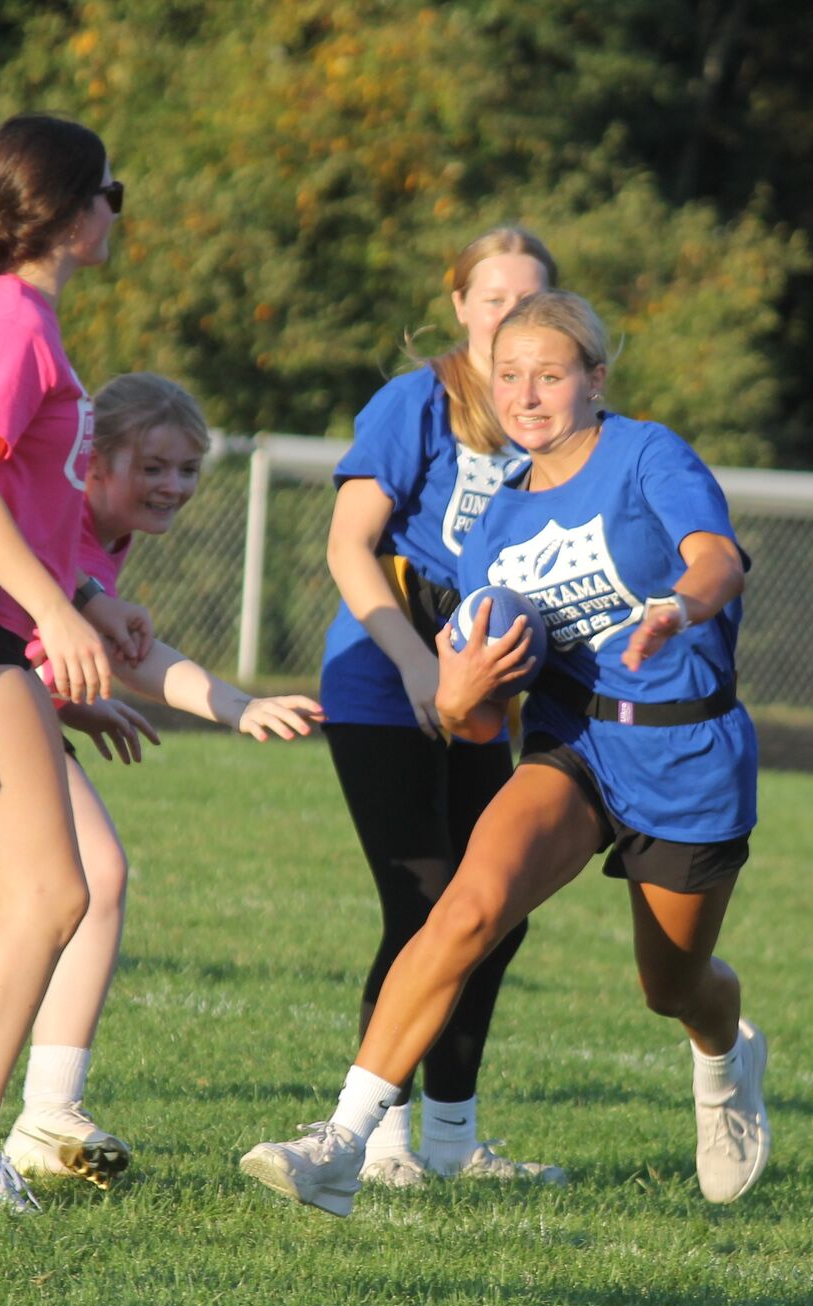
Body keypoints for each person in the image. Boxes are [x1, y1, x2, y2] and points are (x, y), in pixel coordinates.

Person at [241, 289, 770, 1217]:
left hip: (687, 747)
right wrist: (460, 697)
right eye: (510, 375)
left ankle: (725, 1057)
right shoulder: (495, 524)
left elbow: (717, 557)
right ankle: (340, 1142)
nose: (526, 394)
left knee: (672, 984)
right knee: (464, 909)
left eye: (551, 375)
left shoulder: (648, 452)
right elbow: (482, 721)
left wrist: (678, 606)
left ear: (595, 379)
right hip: (575, 744)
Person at [0, 372, 321, 1187]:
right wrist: (232, 704)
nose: (174, 486)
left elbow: (70, 652)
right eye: (154, 467)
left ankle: (43, 1111)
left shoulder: (100, 539)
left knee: (82, 886)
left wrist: (76, 706)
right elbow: (79, 649)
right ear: (94, 465)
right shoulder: (56, 518)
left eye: (187, 470)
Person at [319, 226, 564, 1186]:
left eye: (531, 299)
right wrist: (421, 664)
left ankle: (455, 1140)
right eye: (493, 297)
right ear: (461, 304)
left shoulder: (554, 417)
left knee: (495, 909)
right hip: (388, 676)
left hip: (484, 689)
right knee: (422, 900)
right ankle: (379, 1137)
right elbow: (350, 546)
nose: (510, 315)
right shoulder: (416, 398)